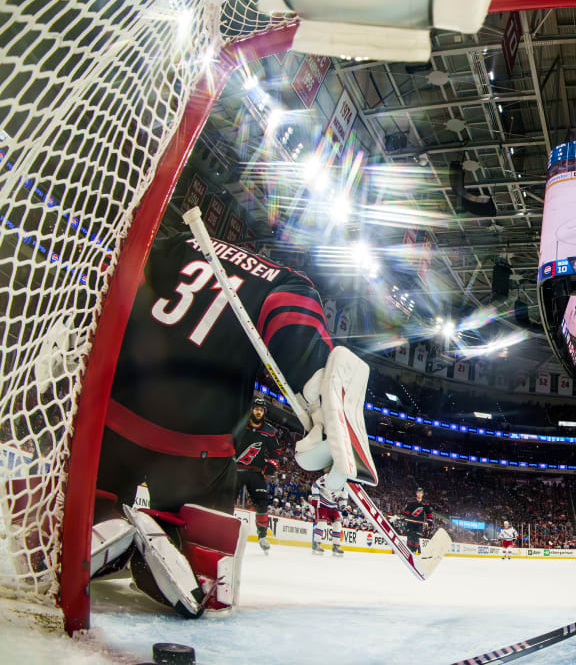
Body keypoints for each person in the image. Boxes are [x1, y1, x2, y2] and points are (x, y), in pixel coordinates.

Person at [88, 233, 377, 618]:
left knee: (83, 507)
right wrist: (317, 392)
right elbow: (295, 322)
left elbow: (126, 276)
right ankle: (175, 549)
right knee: (207, 582)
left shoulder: (183, 242)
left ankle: (102, 519)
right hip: (197, 445)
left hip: (115, 412)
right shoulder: (285, 280)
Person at [234, 396, 287, 554]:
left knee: (262, 502)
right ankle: (224, 529)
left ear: (264, 412)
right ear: (252, 410)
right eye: (256, 409)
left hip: (255, 472)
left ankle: (262, 536)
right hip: (235, 469)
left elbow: (276, 451)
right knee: (226, 498)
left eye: (261, 410)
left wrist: (272, 464)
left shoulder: (269, 431)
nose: (258, 412)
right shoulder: (241, 424)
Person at [310, 477, 345, 556]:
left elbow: (343, 496)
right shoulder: (328, 477)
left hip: (333, 506)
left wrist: (343, 507)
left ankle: (336, 545)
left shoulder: (344, 482)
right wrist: (315, 499)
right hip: (322, 504)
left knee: (337, 524)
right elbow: (315, 486)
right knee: (322, 523)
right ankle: (316, 543)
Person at [401, 487, 432, 555]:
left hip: (419, 523)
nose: (419, 494)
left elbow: (429, 512)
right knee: (410, 535)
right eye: (418, 492)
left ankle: (415, 551)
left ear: (422, 494)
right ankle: (409, 551)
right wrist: (404, 516)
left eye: (420, 493)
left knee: (416, 537)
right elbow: (407, 510)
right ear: (416, 493)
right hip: (411, 521)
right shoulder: (411, 501)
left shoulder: (425, 503)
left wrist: (430, 521)